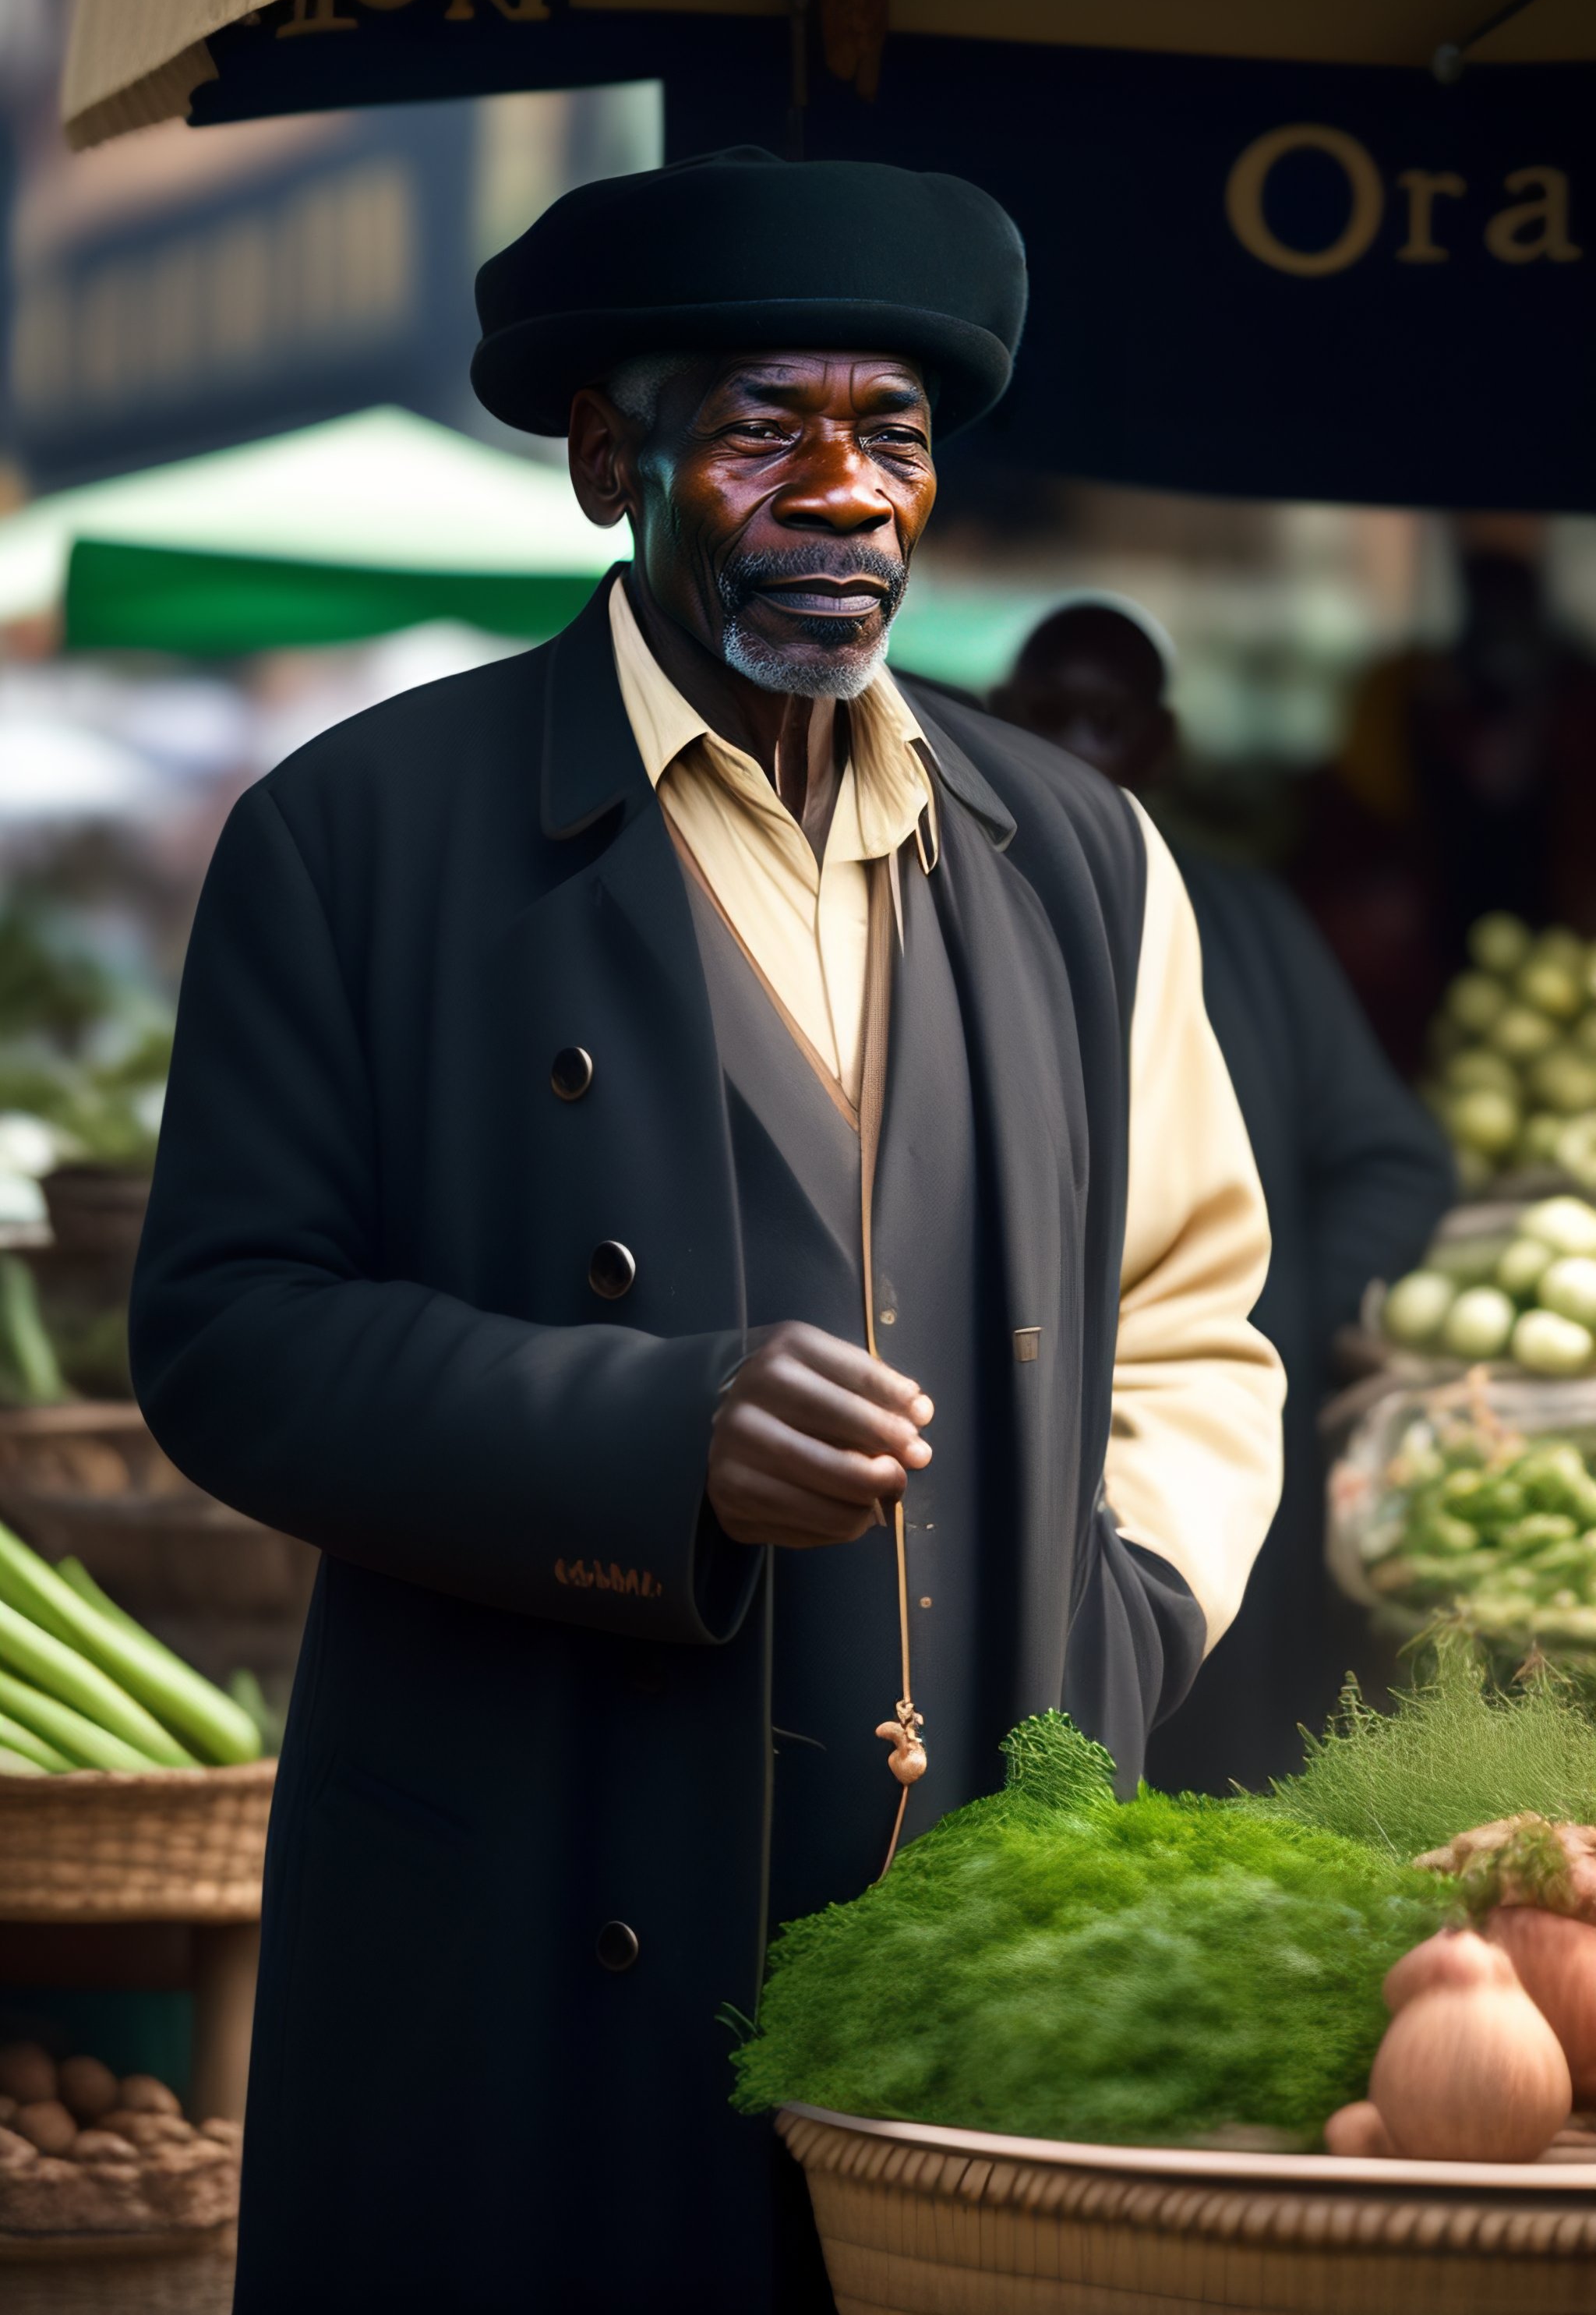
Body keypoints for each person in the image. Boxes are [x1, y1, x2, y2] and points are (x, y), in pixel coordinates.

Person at [129, 149, 1283, 2315]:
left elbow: (1196, 1316)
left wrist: (1113, 1620)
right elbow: (224, 1333)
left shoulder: (1087, 859)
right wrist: (655, 1441)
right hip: (529, 1913)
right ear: (608, 463)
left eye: (900, 437)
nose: (847, 494)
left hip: (982, 1933)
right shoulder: (354, 841)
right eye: (768, 428)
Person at [993, 599, 1454, 1792]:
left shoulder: (1246, 923)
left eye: (1111, 720)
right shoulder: (941, 923)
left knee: (1227, 1785)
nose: (1080, 747)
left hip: (1212, 1461)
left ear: (1162, 745)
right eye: (1051, 717)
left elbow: (1395, 1158)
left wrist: (1272, 1312)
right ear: (999, 724)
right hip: (1006, 1447)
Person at [1292, 524, 1596, 1071]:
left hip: (1555, 948)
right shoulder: (1404, 694)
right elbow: (1351, 830)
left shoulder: (1576, 704)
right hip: (1427, 950)